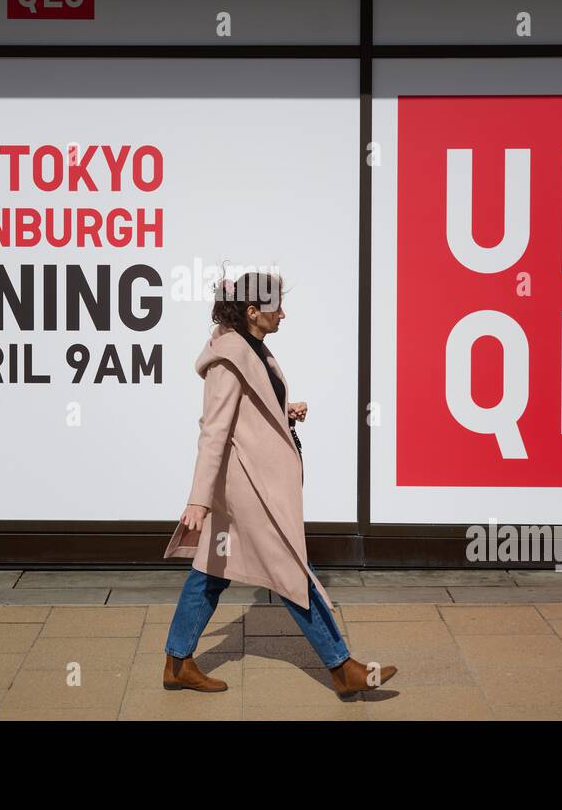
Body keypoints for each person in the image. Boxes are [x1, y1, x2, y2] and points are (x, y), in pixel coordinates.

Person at [161, 270, 398, 700]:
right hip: (246, 489)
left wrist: (282, 411)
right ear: (253, 312)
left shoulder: (252, 347)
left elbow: (247, 411)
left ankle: (177, 661)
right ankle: (342, 667)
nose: (283, 315)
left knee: (212, 571)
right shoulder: (228, 358)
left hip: (249, 482)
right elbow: (214, 431)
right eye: (276, 308)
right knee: (290, 569)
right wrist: (198, 500)